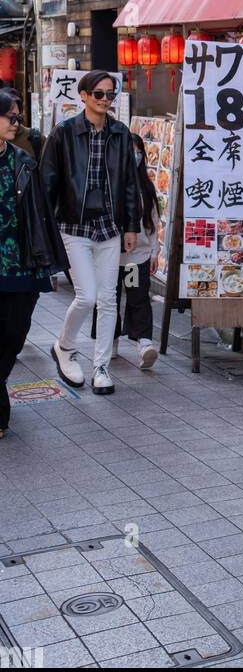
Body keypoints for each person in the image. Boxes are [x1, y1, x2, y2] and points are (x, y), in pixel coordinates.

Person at [40, 71, 140, 396]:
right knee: (88, 296)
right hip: (74, 225)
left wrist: (131, 226)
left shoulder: (121, 134)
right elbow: (48, 183)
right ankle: (64, 346)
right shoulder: (64, 133)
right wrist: (44, 227)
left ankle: (101, 367)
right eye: (99, 94)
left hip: (109, 226)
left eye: (111, 95)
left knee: (109, 299)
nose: (105, 101)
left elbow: (129, 183)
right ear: (83, 95)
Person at [0, 89, 69, 439]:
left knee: (14, 335)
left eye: (18, 117)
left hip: (21, 265)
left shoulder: (23, 161)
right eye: (11, 117)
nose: (17, 124)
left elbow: (40, 214)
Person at [91, 133, 160, 370]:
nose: (135, 155)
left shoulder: (146, 187)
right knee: (109, 299)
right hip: (109, 257)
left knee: (137, 296)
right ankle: (110, 342)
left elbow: (153, 222)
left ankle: (144, 343)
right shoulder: (105, 183)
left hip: (135, 258)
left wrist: (154, 252)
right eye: (130, 151)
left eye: (138, 150)